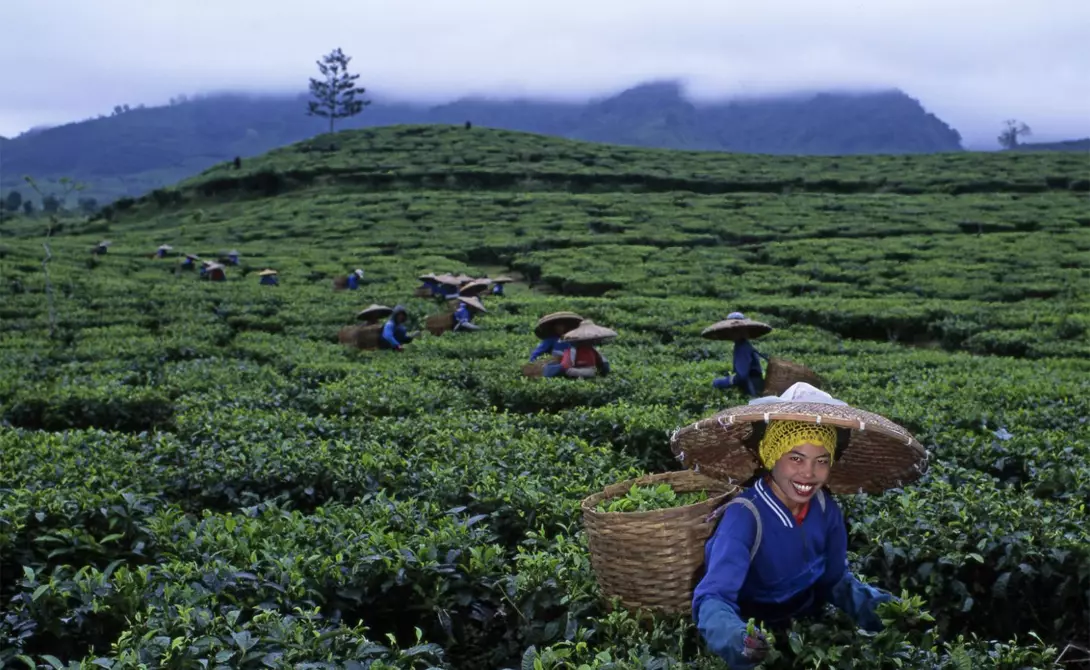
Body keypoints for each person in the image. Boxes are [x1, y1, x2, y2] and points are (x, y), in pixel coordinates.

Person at [691, 415, 897, 668]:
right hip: (757, 631)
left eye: (821, 461)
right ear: (772, 457)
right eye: (796, 458)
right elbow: (713, 598)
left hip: (809, 630)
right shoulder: (745, 517)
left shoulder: (825, 508)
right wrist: (739, 640)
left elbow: (834, 581)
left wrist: (885, 611)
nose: (809, 473)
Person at [712, 313, 769, 397]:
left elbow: (742, 376)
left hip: (752, 388)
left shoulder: (742, 347)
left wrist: (721, 382)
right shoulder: (743, 345)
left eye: (735, 330)